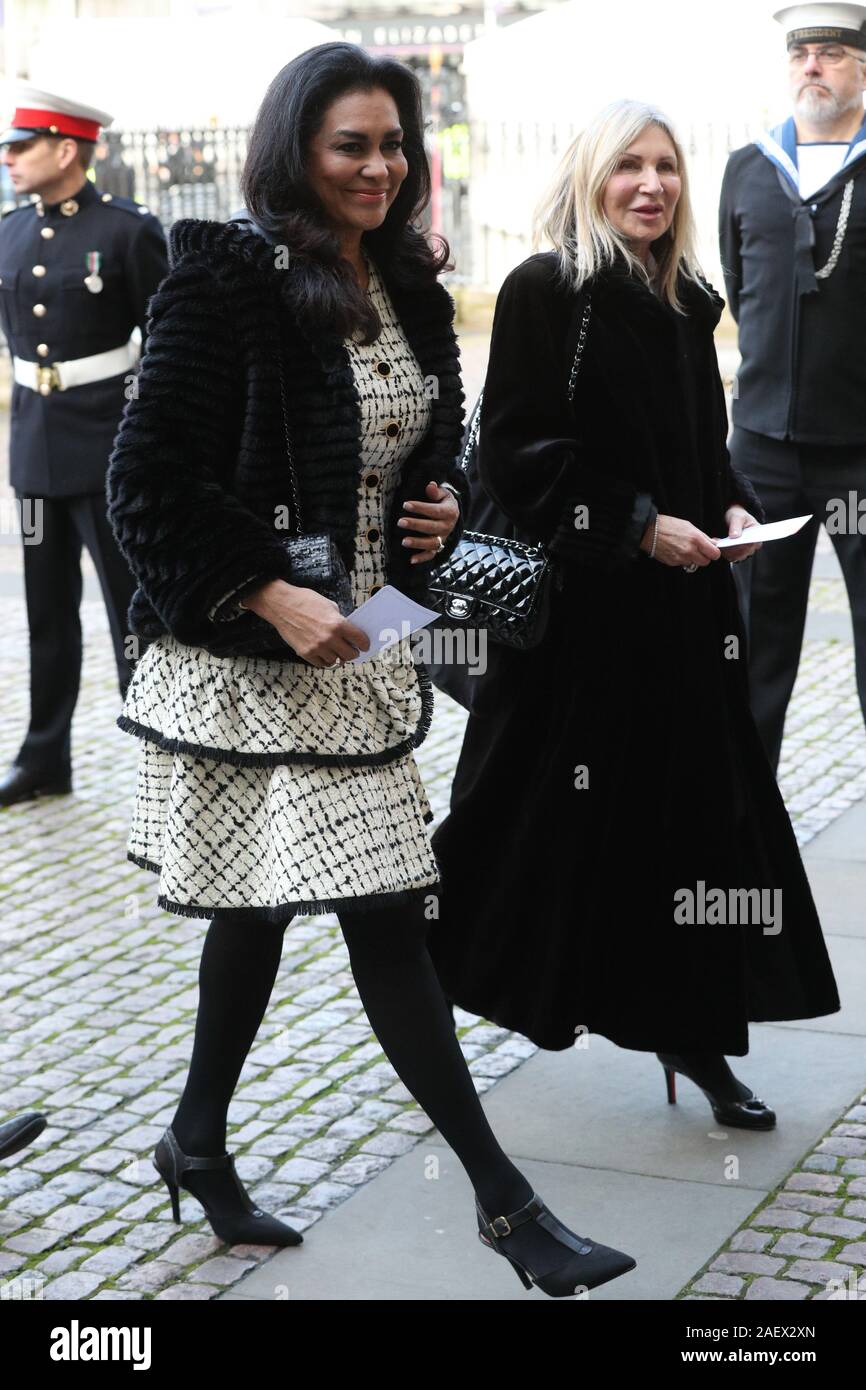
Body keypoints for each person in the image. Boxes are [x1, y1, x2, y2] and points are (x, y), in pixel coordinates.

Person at [105, 43, 637, 1298]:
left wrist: (435, 511)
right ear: (295, 148)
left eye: (393, 144)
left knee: (258, 911)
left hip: (372, 639)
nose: (377, 167)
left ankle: (193, 1138)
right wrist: (265, 590)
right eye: (351, 145)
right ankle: (508, 1213)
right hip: (253, 656)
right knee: (383, 916)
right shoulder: (224, 282)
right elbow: (144, 484)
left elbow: (417, 446)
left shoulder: (398, 275)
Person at [427, 98, 841, 1129]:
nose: (649, 184)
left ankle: (689, 1035)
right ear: (589, 177)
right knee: (519, 833)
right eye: (627, 167)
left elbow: (693, 441)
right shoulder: (545, 291)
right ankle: (419, 989)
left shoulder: (683, 296)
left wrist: (729, 497)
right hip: (573, 637)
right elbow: (519, 457)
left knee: (693, 836)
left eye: (663, 166)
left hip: (679, 628)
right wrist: (636, 524)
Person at [0, 85, 168, 807]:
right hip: (36, 449)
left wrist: (149, 436)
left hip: (109, 450)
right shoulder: (7, 231)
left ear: (66, 149)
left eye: (20, 145)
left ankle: (165, 755)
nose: (8, 159)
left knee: (133, 609)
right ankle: (44, 760)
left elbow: (168, 343)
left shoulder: (129, 231)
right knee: (46, 612)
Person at [719, 3, 866, 773]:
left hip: (862, 455)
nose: (814, 65)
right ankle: (750, 825)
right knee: (755, 645)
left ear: (862, 66)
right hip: (763, 455)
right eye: (802, 52)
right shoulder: (749, 167)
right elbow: (741, 291)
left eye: (833, 52)